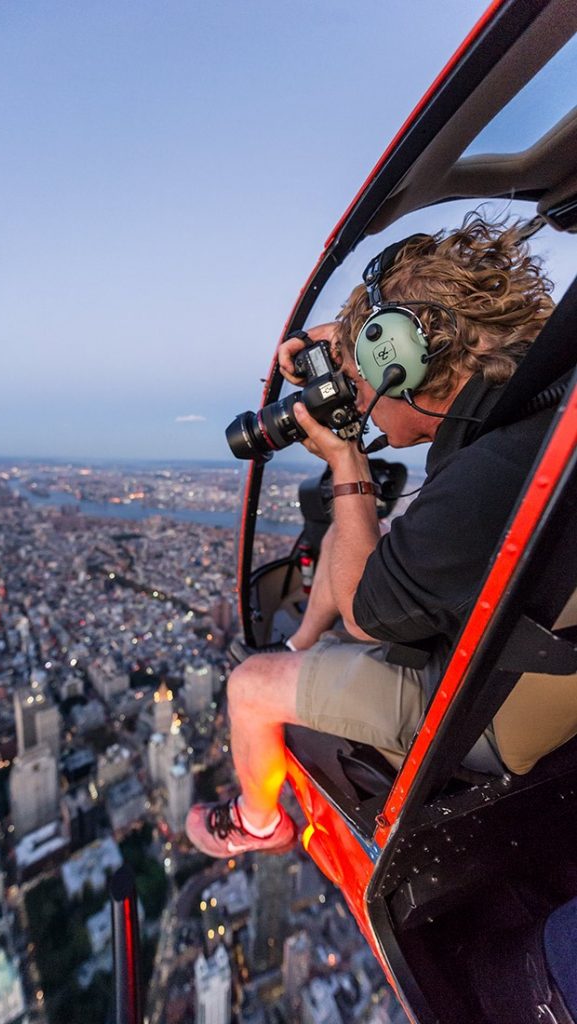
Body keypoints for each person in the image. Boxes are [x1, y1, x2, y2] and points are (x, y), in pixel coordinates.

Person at [186, 215, 556, 858]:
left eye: (361, 379)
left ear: (402, 365)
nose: (356, 401)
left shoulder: (483, 478)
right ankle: (300, 644)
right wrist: (348, 342)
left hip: (484, 707)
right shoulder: (540, 407)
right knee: (352, 538)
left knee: (248, 686)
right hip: (537, 658)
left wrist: (346, 459)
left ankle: (257, 823)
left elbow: (363, 614)